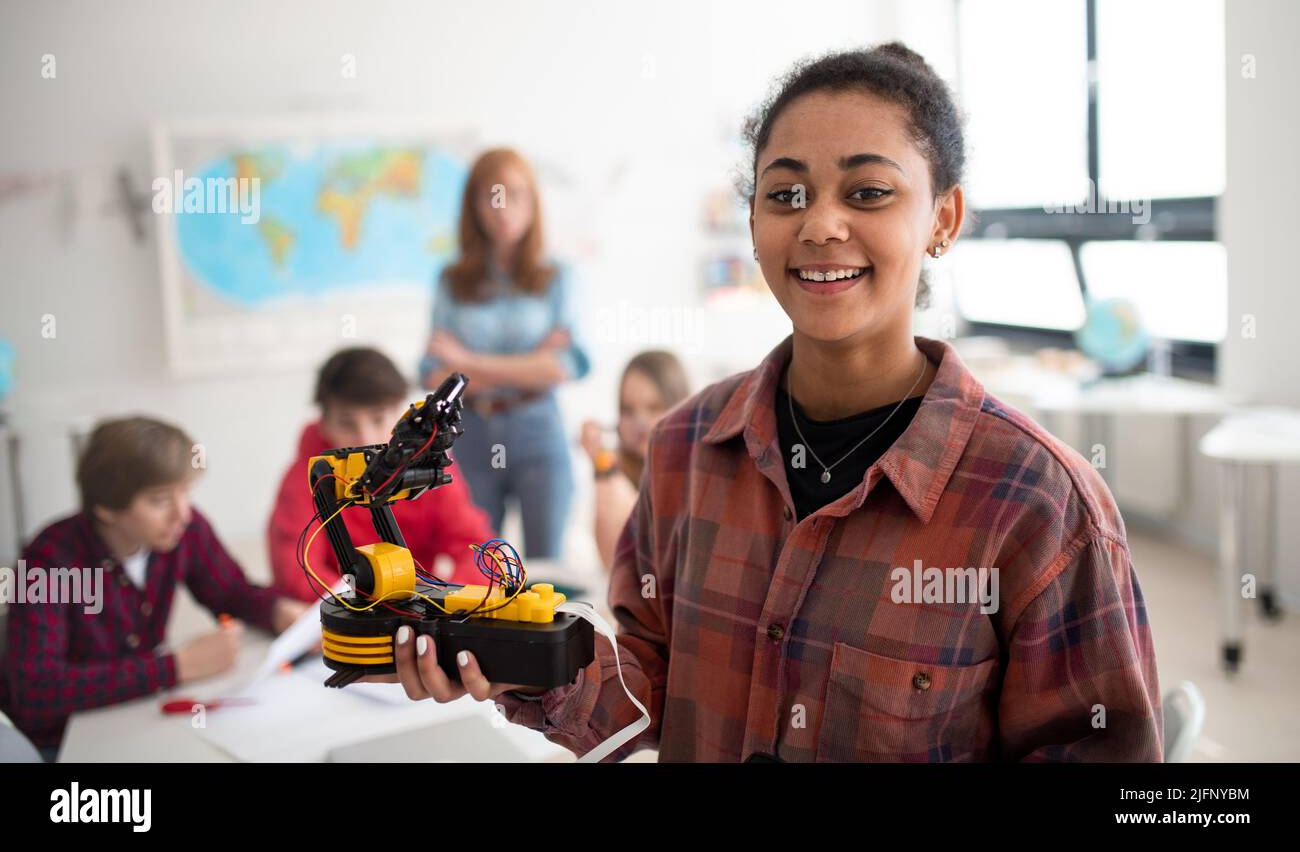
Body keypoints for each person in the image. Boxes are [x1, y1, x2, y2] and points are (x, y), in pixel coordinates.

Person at [369, 43, 1163, 762]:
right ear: (752, 222)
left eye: (868, 191)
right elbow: (648, 687)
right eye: (786, 194)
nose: (820, 224)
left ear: (942, 220)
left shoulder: (1039, 504)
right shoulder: (684, 449)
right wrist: (512, 663)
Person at [0, 416, 309, 758]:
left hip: (139, 717)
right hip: (64, 743)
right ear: (105, 508)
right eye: (160, 500)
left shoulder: (183, 532)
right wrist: (176, 667)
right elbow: (35, 691)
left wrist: (277, 611)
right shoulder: (49, 560)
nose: (184, 513)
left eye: (186, 492)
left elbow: (232, 592)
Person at [418, 148, 590, 561]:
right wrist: (529, 364)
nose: (503, 209)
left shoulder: (557, 277)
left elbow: (563, 367)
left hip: (538, 434)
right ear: (473, 205)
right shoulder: (451, 279)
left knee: (548, 574)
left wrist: (468, 361)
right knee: (481, 568)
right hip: (471, 435)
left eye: (516, 195)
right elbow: (433, 377)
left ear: (533, 202)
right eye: (491, 196)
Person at [267, 346, 493, 601]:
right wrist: (355, 611)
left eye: (377, 419)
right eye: (346, 423)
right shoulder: (306, 479)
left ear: (399, 412)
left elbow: (477, 547)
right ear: (324, 421)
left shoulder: (427, 467)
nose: (365, 437)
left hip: (415, 609)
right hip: (343, 621)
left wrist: (446, 604)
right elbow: (296, 569)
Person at [579, 351, 690, 569]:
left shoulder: (698, 471)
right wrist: (600, 462)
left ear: (681, 406)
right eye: (628, 410)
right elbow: (612, 561)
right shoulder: (612, 469)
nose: (641, 422)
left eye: (653, 407)